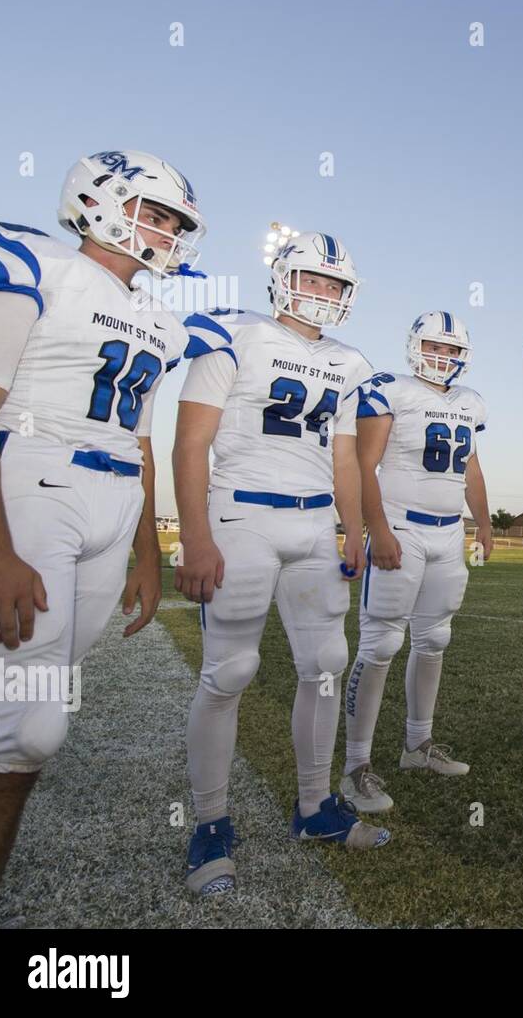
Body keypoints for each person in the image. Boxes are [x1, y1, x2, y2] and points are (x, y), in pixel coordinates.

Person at [0, 149, 200, 924]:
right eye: (155, 211)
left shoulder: (162, 323)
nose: (167, 231)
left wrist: (146, 552)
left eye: (176, 221)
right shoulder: (35, 263)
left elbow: (138, 439)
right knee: (26, 730)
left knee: (16, 725)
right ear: (96, 198)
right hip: (34, 481)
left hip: (111, 499)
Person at [175, 230, 387, 898]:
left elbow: (346, 456)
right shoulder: (234, 333)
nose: (322, 295)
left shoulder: (351, 363)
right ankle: (210, 822)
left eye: (334, 285)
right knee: (231, 669)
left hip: (315, 524)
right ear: (282, 279)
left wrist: (352, 530)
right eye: (313, 280)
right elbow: (191, 441)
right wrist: (197, 534)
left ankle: (315, 805)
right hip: (242, 517)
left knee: (324, 666)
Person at [341, 311, 492, 809]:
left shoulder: (470, 402)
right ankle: (356, 765)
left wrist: (485, 524)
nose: (442, 356)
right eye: (434, 346)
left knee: (435, 638)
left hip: (449, 533)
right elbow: (364, 463)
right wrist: (377, 528)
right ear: (414, 346)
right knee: (382, 641)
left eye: (451, 350)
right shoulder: (390, 389)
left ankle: (417, 744)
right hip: (401, 525)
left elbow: (470, 470)